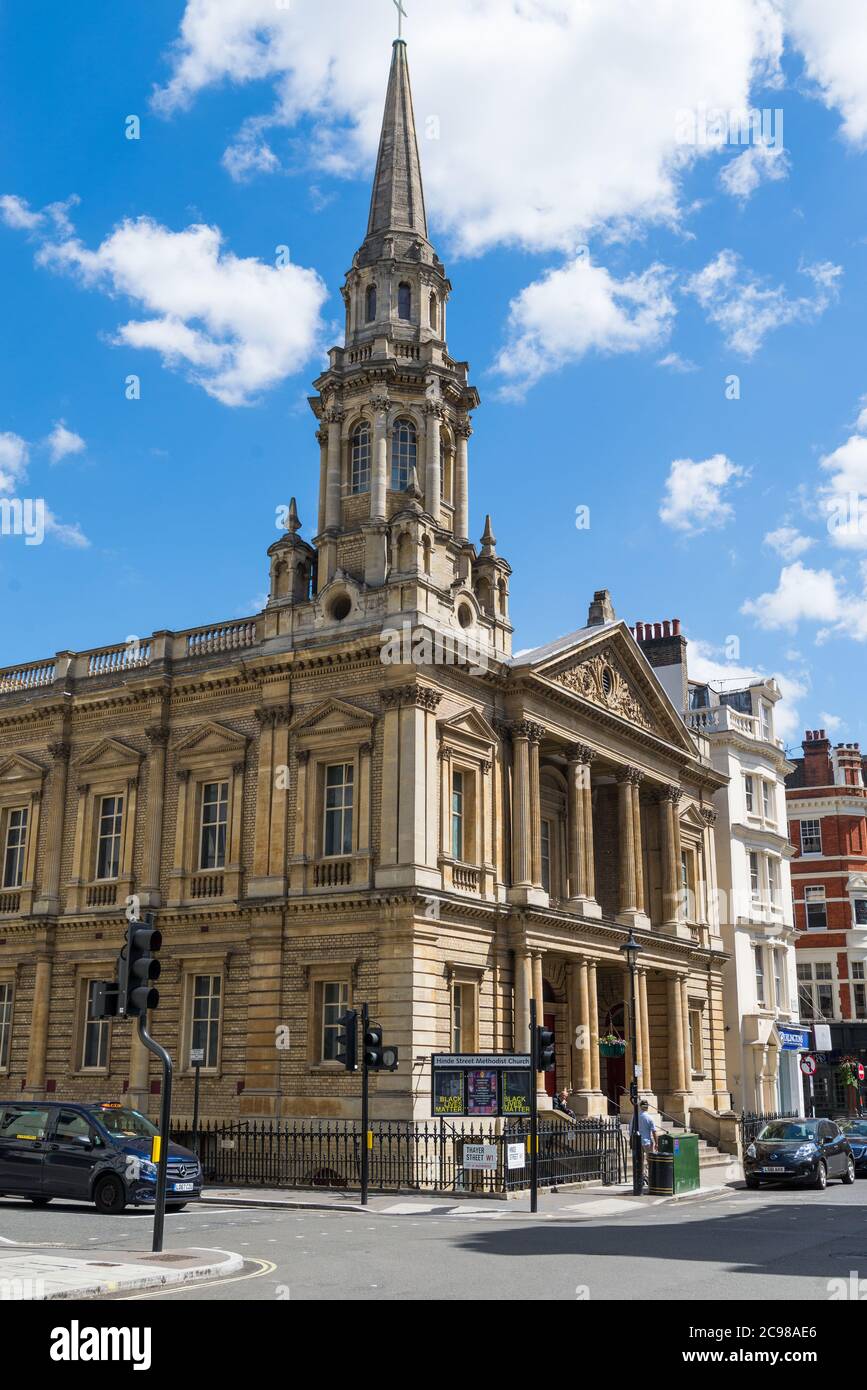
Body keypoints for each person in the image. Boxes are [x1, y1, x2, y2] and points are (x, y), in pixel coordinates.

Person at [631, 1100, 656, 1187]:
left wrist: (631, 1141)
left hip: (638, 1142)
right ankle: (648, 1176)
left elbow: (631, 1129)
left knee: (640, 1161)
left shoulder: (635, 1117)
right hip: (647, 1142)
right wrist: (656, 1143)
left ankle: (641, 1177)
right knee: (650, 1160)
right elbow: (654, 1131)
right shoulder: (649, 1117)